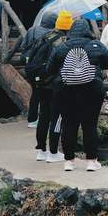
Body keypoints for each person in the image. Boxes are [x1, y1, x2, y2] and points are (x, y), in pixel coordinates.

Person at [46, 11, 108, 172]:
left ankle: (69, 162)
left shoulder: (62, 47)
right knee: (90, 125)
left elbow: (50, 68)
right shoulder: (96, 45)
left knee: (69, 125)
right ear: (87, 30)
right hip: (92, 89)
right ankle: (91, 162)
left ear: (71, 30)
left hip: (66, 90)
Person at [19, 11, 68, 160]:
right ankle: (53, 152)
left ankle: (41, 151)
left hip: (39, 81)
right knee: (57, 117)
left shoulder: (42, 36)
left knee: (44, 115)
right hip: (53, 84)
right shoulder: (62, 41)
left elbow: (25, 48)